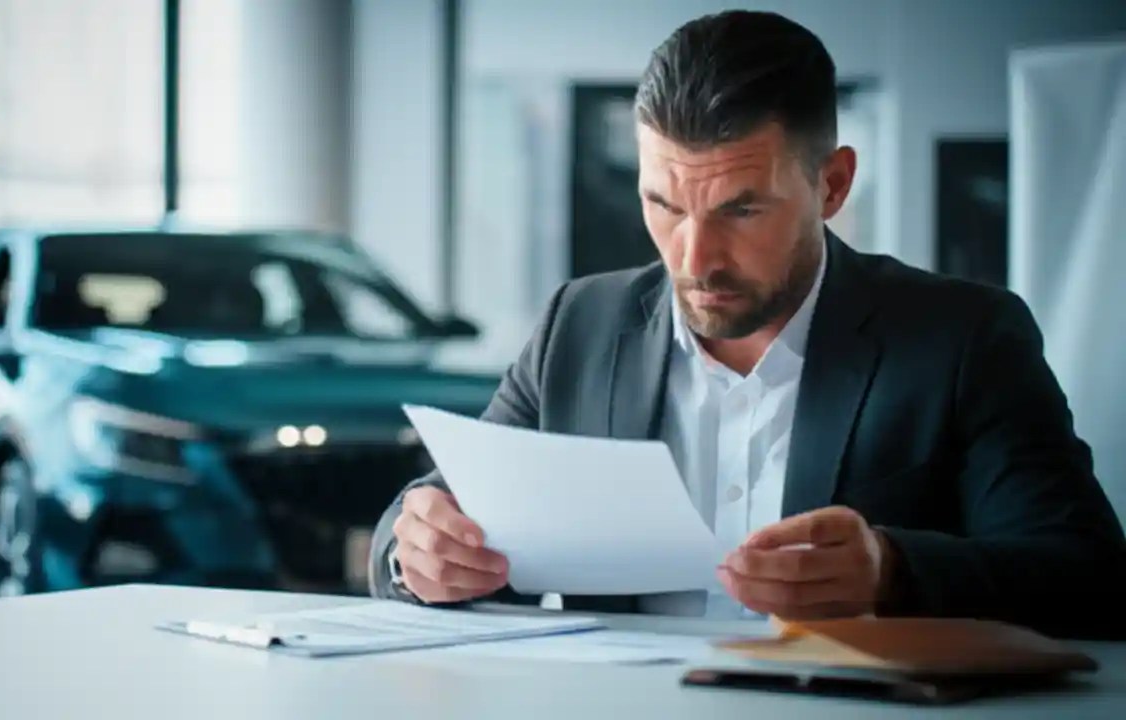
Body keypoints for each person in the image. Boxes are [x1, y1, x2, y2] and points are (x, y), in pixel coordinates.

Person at [367, 10, 1126, 638]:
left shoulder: (963, 338)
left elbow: (1091, 580)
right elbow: (432, 512)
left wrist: (893, 570)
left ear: (831, 185)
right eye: (663, 205)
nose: (694, 259)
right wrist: (416, 552)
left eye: (742, 209)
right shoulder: (580, 324)